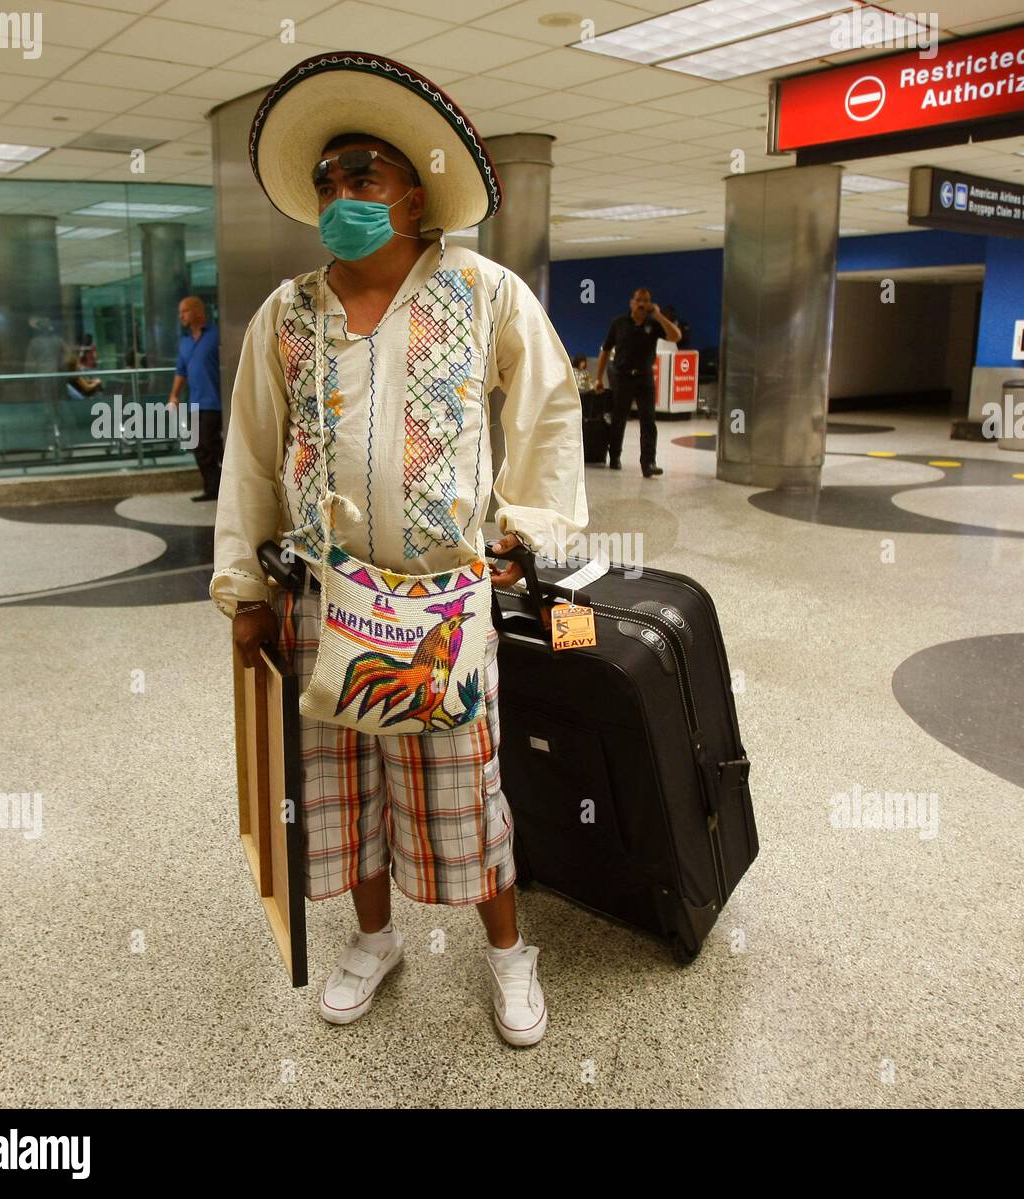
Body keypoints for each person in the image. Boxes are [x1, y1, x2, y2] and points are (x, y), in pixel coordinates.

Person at [211, 51, 587, 1047]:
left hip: (439, 610)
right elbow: (251, 451)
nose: (341, 194)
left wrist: (528, 529)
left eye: (363, 174)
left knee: (462, 791)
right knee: (340, 789)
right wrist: (244, 585)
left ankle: (509, 954)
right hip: (318, 599)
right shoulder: (287, 315)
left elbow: (549, 409)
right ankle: (372, 939)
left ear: (414, 191)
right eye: (329, 180)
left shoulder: (481, 292)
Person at [595, 287, 681, 476]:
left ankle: (648, 463)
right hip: (622, 376)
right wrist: (599, 378)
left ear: (650, 304)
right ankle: (615, 456)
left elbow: (676, 336)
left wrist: (659, 316)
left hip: (645, 378)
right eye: (639, 300)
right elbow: (606, 350)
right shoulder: (618, 323)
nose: (642, 304)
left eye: (646, 300)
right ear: (631, 302)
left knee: (648, 420)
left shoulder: (654, 324)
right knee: (619, 419)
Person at [168, 296, 221, 501]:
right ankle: (213, 488)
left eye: (185, 311)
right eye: (180, 312)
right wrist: (173, 395)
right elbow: (181, 371)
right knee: (198, 447)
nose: (181, 315)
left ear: (198, 312)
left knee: (210, 442)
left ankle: (232, 481)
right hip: (196, 403)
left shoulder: (216, 336)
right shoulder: (185, 343)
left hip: (215, 402)